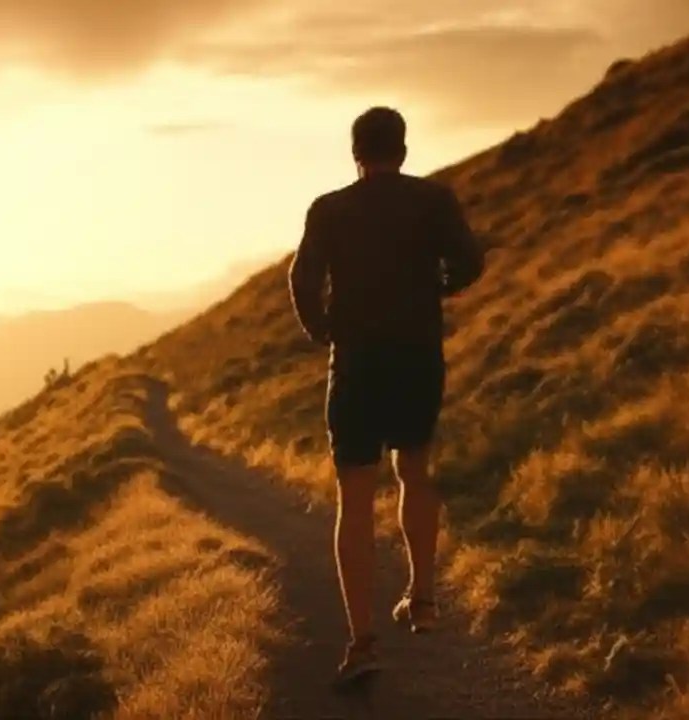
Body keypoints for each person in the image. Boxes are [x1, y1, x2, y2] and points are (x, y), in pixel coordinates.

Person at [288, 107, 486, 688]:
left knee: (355, 495)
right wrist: (441, 287)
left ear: (356, 152)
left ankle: (363, 642)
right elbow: (470, 260)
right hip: (417, 354)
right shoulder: (434, 200)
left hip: (356, 361)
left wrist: (323, 329)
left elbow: (302, 278)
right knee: (415, 472)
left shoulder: (329, 209)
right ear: (402, 150)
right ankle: (422, 600)